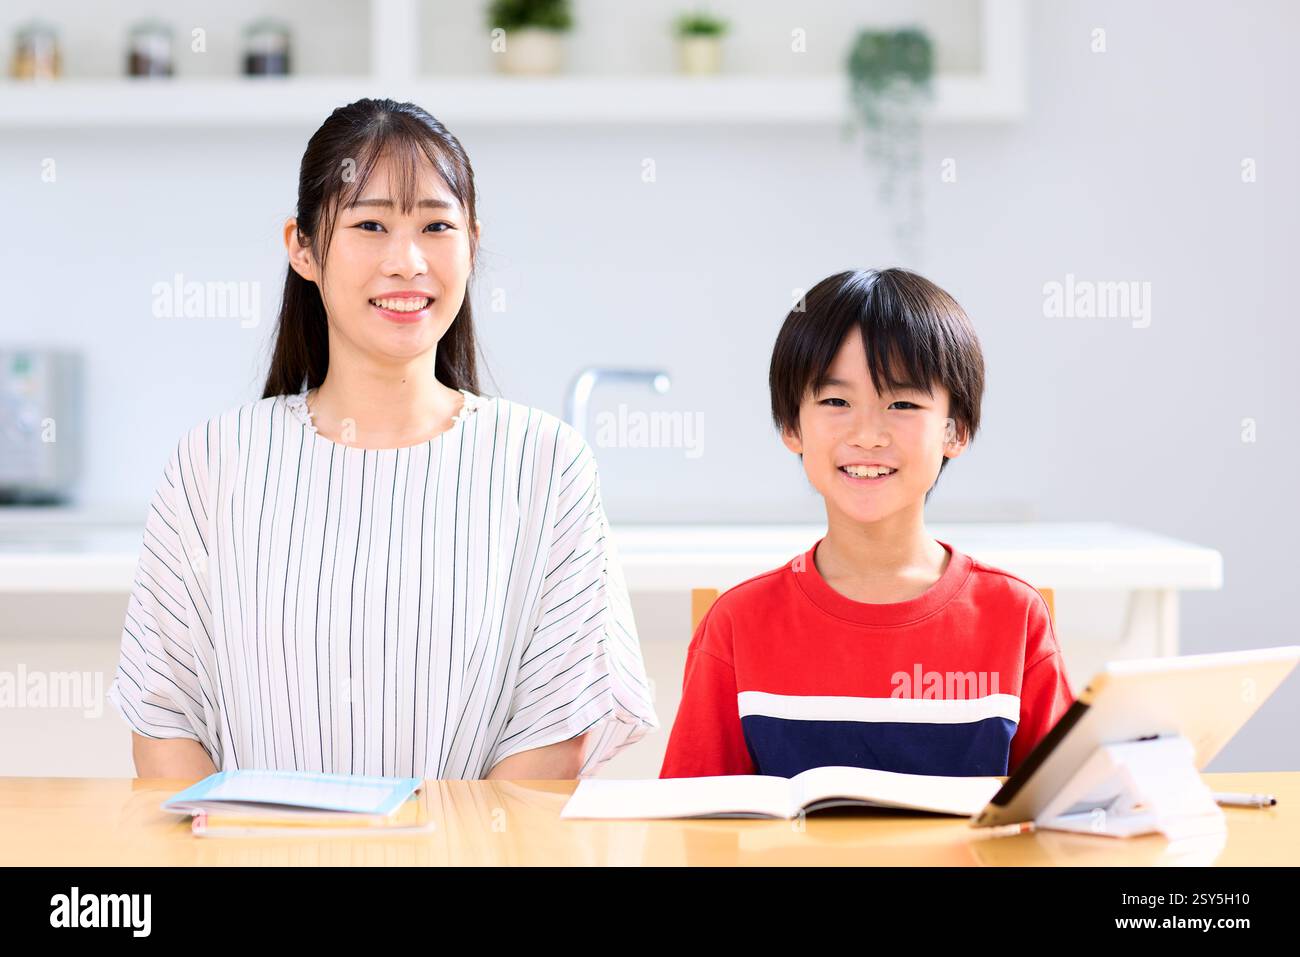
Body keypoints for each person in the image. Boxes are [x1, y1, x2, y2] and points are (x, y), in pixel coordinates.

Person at [106, 98, 658, 780]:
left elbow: (556, 730)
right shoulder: (216, 461)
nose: (406, 261)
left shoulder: (545, 462)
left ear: (472, 244)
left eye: (435, 225)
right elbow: (166, 721)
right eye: (370, 224)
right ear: (302, 248)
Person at [660, 268, 1073, 778]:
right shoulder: (736, 625)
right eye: (836, 401)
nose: (868, 434)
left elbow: (1063, 814)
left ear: (956, 429)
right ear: (792, 425)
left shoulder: (1015, 618)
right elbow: (690, 829)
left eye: (901, 403)